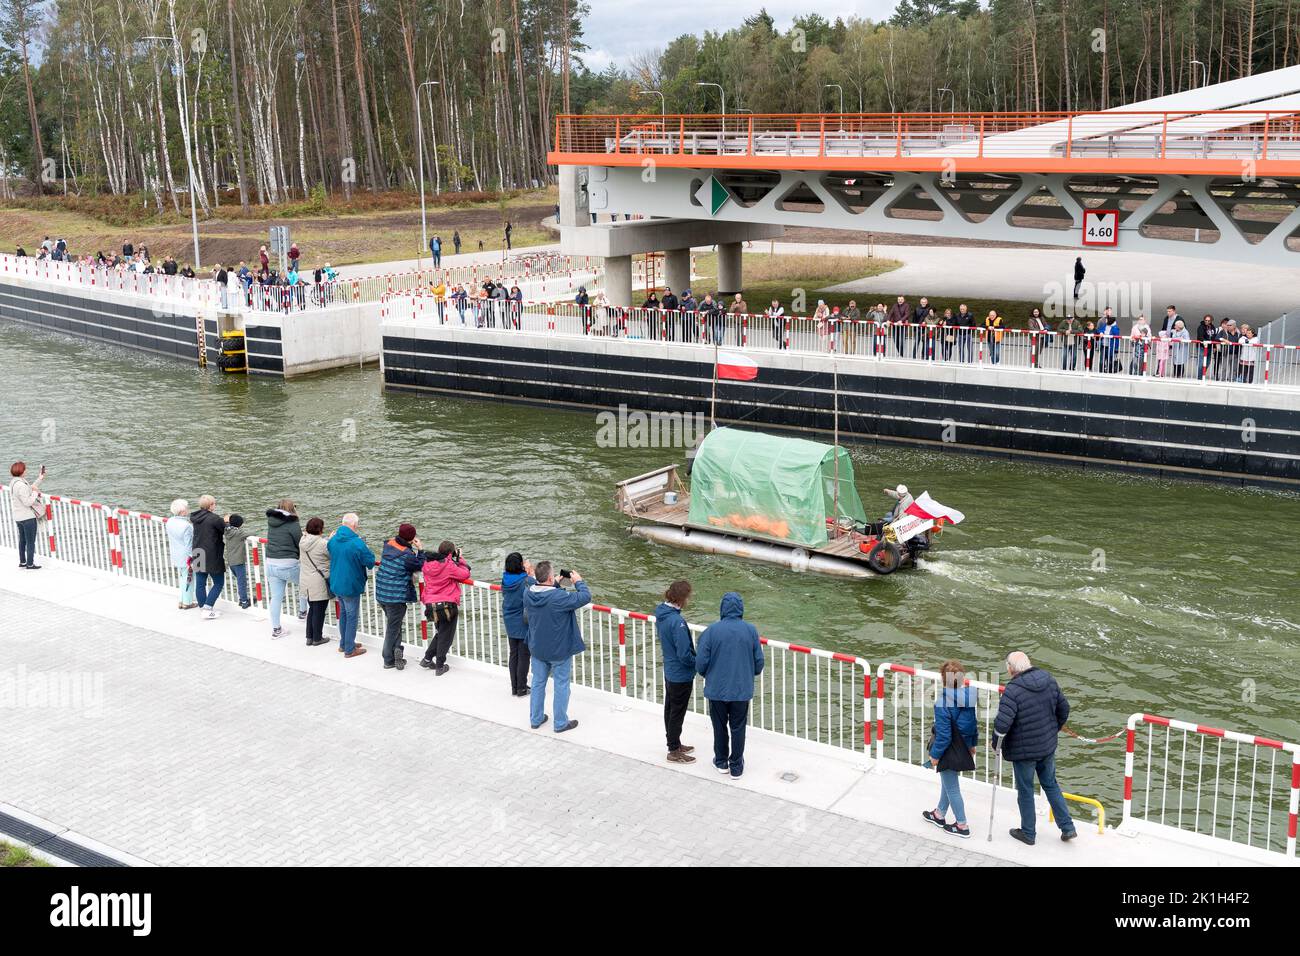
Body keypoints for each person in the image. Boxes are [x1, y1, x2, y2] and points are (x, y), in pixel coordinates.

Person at [992, 650, 1076, 845]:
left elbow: (1002, 725)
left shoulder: (1012, 691)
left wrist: (996, 744)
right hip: (1046, 746)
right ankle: (1068, 827)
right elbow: (1064, 708)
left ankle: (1028, 833)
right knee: (1051, 785)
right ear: (1029, 663)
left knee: (1026, 790)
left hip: (1024, 752)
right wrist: (1053, 729)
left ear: (1010, 669)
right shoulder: (1048, 679)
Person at [696, 592, 763, 778]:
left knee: (719, 726)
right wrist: (749, 674)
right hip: (741, 689)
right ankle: (736, 766)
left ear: (722, 609)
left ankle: (721, 761)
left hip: (716, 689)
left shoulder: (711, 631)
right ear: (741, 608)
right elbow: (759, 662)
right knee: (738, 727)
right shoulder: (751, 631)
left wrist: (708, 674)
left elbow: (701, 662)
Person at [524, 562, 590, 733]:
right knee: (561, 684)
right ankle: (560, 722)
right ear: (550, 578)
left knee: (538, 683)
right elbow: (584, 597)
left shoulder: (528, 593)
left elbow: (543, 591)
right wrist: (578, 582)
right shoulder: (558, 597)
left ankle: (536, 718)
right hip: (558, 649)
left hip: (537, 647)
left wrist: (554, 584)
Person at [922, 659, 978, 838]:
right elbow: (971, 725)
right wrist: (972, 745)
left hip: (948, 749)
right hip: (962, 746)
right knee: (948, 781)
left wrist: (934, 756)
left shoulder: (943, 703)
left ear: (943, 679)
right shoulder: (969, 697)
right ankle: (939, 814)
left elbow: (944, 735)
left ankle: (962, 825)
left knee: (952, 788)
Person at [656, 579, 697, 764]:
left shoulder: (662, 614)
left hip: (670, 669)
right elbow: (684, 654)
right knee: (676, 712)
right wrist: (698, 662)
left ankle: (674, 742)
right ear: (682, 599)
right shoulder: (677, 622)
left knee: (670, 708)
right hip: (681, 673)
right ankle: (673, 749)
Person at [374, 523, 425, 671]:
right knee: (393, 628)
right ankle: (388, 659)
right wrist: (420, 549)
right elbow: (419, 564)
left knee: (394, 625)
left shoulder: (388, 544)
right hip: (395, 597)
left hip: (382, 592)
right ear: (411, 539)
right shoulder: (407, 555)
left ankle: (397, 650)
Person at [419, 540, 471, 675]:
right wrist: (460, 559)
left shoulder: (427, 563)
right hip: (447, 605)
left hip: (431, 605)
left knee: (440, 633)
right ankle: (440, 666)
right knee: (445, 637)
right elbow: (465, 574)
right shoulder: (449, 566)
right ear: (450, 553)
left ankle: (427, 658)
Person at [328, 513, 374, 659]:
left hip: (336, 582)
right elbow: (370, 562)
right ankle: (349, 649)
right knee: (352, 616)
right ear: (354, 525)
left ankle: (344, 643)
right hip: (350, 584)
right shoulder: (357, 543)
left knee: (343, 614)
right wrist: (366, 548)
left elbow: (329, 548)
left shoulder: (333, 539)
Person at [265, 499, 307, 638]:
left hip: (271, 563)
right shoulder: (293, 523)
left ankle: (276, 629)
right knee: (306, 585)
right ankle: (303, 613)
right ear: (292, 509)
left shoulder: (271, 522)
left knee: (276, 597)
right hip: (288, 563)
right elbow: (300, 542)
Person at [501, 552, 536, 696]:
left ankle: (514, 687)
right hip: (523, 621)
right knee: (524, 655)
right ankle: (522, 687)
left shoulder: (505, 579)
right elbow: (536, 587)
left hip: (509, 619)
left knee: (513, 653)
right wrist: (531, 572)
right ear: (520, 565)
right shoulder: (526, 581)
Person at [190, 494, 227, 620]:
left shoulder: (195, 517)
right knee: (218, 582)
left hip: (198, 550)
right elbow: (225, 530)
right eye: (214, 503)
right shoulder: (215, 519)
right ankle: (207, 608)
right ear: (211, 505)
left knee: (200, 582)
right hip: (212, 553)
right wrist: (226, 521)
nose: (215, 505)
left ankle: (202, 607)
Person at [299, 517, 332, 647]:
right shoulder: (323, 544)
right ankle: (317, 638)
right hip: (318, 581)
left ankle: (309, 637)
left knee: (312, 608)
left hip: (306, 580)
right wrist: (330, 539)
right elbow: (331, 555)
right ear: (320, 529)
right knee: (319, 610)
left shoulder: (303, 540)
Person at [9, 461, 47, 570]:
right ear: (22, 471)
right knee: (30, 542)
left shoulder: (14, 482)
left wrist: (40, 478)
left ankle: (23, 562)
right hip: (27, 517)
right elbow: (27, 502)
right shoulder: (21, 485)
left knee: (22, 540)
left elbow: (29, 488)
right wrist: (35, 493)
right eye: (25, 469)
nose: (26, 470)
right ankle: (30, 564)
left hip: (18, 517)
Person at [166, 498, 198, 609]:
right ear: (182, 511)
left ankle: (181, 600)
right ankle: (187, 602)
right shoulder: (186, 526)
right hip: (186, 556)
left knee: (182, 577)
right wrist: (192, 557)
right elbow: (189, 544)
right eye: (187, 508)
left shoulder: (170, 521)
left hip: (176, 553)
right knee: (189, 578)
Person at [223, 514, 255, 609]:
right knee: (242, 582)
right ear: (240, 525)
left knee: (239, 581)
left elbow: (227, 525)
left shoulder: (227, 531)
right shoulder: (239, 533)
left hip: (231, 562)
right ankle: (244, 601)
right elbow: (252, 533)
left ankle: (242, 598)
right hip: (239, 562)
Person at [1195, 314, 1218, 380]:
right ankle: (1199, 378)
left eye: (1208, 320)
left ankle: (1202, 374)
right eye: (1206, 320)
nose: (1207, 322)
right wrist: (1206, 341)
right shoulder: (1201, 327)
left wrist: (1214, 346)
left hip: (1210, 347)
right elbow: (1200, 337)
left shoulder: (1213, 327)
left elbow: (1214, 337)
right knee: (1201, 362)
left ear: (1211, 321)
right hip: (1202, 347)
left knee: (1207, 362)